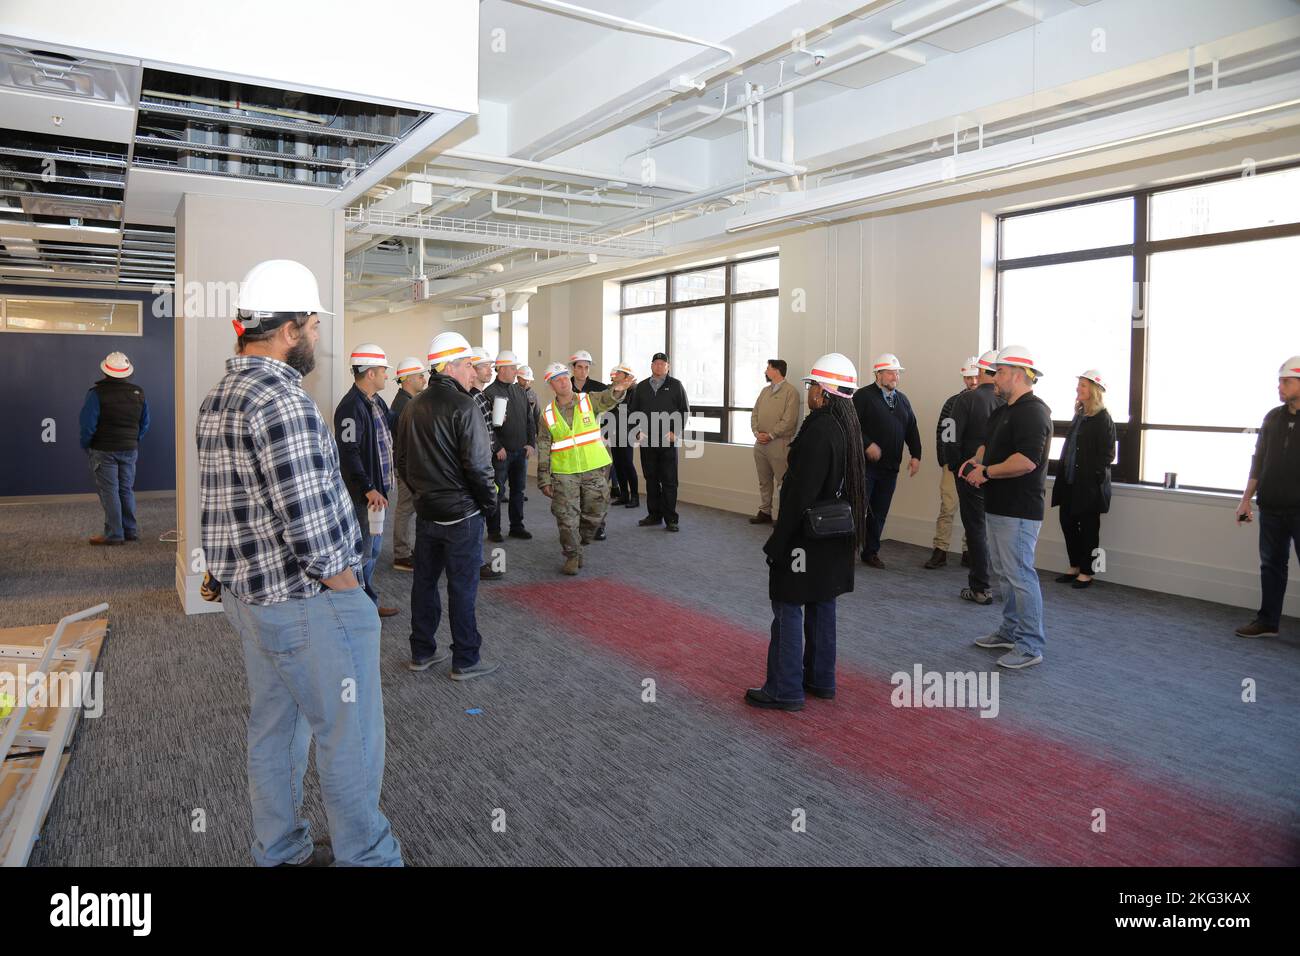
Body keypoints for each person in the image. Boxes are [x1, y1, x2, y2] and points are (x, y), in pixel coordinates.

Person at [197, 258, 401, 867]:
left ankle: (279, 850)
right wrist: (349, 592)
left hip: (250, 600)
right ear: (289, 330)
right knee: (350, 738)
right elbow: (311, 527)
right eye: (312, 325)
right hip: (310, 604)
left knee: (275, 730)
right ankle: (367, 857)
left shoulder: (221, 394)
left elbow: (225, 510)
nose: (316, 336)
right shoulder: (283, 401)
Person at [745, 353, 867, 711]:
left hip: (805, 541)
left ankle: (784, 689)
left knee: (788, 607)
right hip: (835, 537)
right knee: (822, 604)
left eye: (813, 385)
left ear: (825, 392)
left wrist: (777, 544)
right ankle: (820, 679)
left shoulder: (818, 431)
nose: (810, 392)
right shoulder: (849, 427)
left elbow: (798, 497)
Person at [396, 331, 500, 678]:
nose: (474, 372)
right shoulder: (464, 406)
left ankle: (422, 652)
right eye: (469, 365)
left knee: (424, 585)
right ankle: (466, 659)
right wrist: (489, 505)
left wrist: (425, 494)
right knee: (462, 588)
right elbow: (479, 466)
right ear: (452, 367)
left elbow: (402, 462)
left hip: (428, 514)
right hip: (462, 515)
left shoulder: (412, 406)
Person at [961, 345, 1052, 670]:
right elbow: (990, 445)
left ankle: (1029, 645)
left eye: (999, 372)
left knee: (1020, 575)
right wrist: (977, 459)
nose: (993, 377)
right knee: (1004, 573)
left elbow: (1026, 461)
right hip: (998, 505)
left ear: (1017, 374)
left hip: (1020, 509)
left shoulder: (1034, 412)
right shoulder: (1003, 410)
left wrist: (986, 472)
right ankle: (1010, 631)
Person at [535, 362, 633, 574]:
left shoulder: (588, 400)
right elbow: (543, 447)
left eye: (564, 376)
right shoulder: (548, 414)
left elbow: (607, 399)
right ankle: (571, 554)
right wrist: (544, 478)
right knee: (565, 516)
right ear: (550, 385)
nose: (562, 381)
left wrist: (617, 390)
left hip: (594, 468)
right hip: (564, 473)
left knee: (595, 513)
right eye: (557, 379)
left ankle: (582, 539)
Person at [1234, 355, 1300, 638]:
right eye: (1279, 382)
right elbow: (1258, 461)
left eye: (1286, 382)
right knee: (1271, 565)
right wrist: (1246, 499)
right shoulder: (1272, 417)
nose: (1280, 387)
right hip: (1271, 508)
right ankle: (1268, 621)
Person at [334, 344, 398, 617]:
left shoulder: (376, 402)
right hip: (364, 494)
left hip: (377, 490)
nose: (386, 375)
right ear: (370, 373)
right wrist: (368, 488)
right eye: (383, 370)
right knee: (364, 551)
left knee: (373, 548)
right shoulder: (351, 407)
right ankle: (360, 608)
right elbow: (349, 453)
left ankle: (367, 600)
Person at [852, 353, 921, 568]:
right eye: (890, 372)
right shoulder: (863, 396)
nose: (895, 376)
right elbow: (851, 425)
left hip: (890, 469)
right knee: (857, 509)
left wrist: (916, 455)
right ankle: (844, 552)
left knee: (879, 513)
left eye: (897, 373)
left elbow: (912, 429)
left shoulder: (903, 400)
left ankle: (870, 552)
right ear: (878, 374)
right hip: (866, 468)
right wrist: (867, 444)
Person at [948, 350, 1004, 606]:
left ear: (980, 372)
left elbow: (949, 436)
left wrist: (957, 467)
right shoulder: (1009, 402)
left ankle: (981, 587)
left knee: (976, 530)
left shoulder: (966, 401)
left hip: (971, 475)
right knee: (1002, 531)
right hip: (1003, 476)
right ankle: (1009, 588)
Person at [1051, 369, 1116, 589]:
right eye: (1079, 385)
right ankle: (1075, 566)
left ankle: (1088, 572)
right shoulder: (1079, 415)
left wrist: (1094, 479)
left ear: (1095, 391)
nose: (1078, 388)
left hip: (1089, 487)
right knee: (1067, 524)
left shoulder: (1103, 418)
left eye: (1083, 385)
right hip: (1069, 483)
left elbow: (1108, 455)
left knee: (1089, 529)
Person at [79, 351, 149, 546]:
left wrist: (87, 444)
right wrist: (133, 440)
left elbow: (87, 425)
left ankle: (114, 534)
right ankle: (130, 531)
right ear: (127, 372)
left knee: (110, 491)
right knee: (126, 489)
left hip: (104, 450)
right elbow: (145, 423)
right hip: (129, 449)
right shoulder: (138, 392)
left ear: (105, 372)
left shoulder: (96, 394)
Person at [628, 352, 691, 531]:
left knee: (670, 481)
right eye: (656, 363)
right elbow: (632, 412)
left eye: (663, 363)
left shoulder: (676, 385)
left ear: (668, 367)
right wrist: (637, 432)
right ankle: (654, 515)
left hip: (667, 441)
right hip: (647, 441)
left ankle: (671, 519)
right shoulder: (641, 387)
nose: (659, 366)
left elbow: (684, 410)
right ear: (651, 366)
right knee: (651, 479)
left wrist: (676, 432)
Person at [925, 358, 979, 568]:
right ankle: (940, 550)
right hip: (953, 464)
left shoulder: (990, 401)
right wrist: (945, 460)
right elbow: (943, 432)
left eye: (975, 376)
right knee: (948, 507)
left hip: (977, 466)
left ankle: (970, 551)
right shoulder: (952, 402)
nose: (972, 381)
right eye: (968, 377)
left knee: (973, 511)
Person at [483, 350, 536, 542]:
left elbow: (530, 421)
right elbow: (486, 426)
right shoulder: (489, 393)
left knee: (518, 491)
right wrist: (497, 447)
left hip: (521, 452)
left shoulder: (520, 392)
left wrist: (531, 443)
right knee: (496, 492)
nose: (516, 371)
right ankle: (494, 530)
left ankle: (516, 526)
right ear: (502, 369)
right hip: (501, 454)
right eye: (513, 368)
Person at [749, 358, 802, 525]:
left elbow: (789, 420)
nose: (765, 371)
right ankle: (765, 511)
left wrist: (771, 435)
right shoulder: (765, 391)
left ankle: (784, 516)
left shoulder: (791, 392)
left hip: (779, 443)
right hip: (760, 444)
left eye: (768, 368)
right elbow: (754, 413)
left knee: (783, 482)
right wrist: (757, 432)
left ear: (777, 371)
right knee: (764, 481)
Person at [468, 348, 505, 580]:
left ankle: (474, 560)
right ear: (473, 368)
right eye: (486, 366)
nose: (490, 369)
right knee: (477, 514)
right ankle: (476, 563)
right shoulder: (472, 397)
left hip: (484, 461)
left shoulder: (480, 396)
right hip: (479, 464)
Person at [388, 357, 426, 572]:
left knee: (408, 508)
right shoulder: (405, 405)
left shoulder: (406, 402)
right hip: (408, 466)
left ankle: (403, 551)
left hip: (409, 464)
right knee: (405, 509)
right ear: (408, 379)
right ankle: (401, 555)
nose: (424, 379)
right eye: (420, 375)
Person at [570, 349, 611, 541]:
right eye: (580, 367)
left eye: (587, 368)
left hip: (596, 445)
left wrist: (605, 434)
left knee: (599, 489)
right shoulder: (564, 386)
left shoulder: (599, 387)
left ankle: (599, 525)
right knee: (577, 489)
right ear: (573, 368)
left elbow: (612, 411)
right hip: (573, 447)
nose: (583, 371)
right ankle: (579, 525)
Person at [607, 364, 640, 509]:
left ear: (626, 376)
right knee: (618, 464)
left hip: (628, 433)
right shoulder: (614, 390)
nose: (615, 376)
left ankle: (635, 497)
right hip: (614, 432)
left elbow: (638, 413)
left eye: (618, 373)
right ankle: (624, 495)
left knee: (628, 464)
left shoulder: (635, 391)